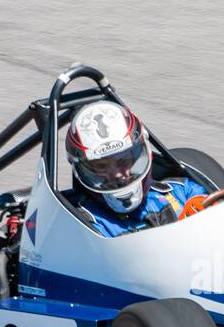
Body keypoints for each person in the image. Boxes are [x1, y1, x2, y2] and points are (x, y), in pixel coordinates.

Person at [63, 100, 206, 236]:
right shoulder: (84, 224)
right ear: (83, 170)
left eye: (123, 160)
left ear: (139, 155)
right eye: (101, 166)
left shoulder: (182, 192)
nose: (117, 174)